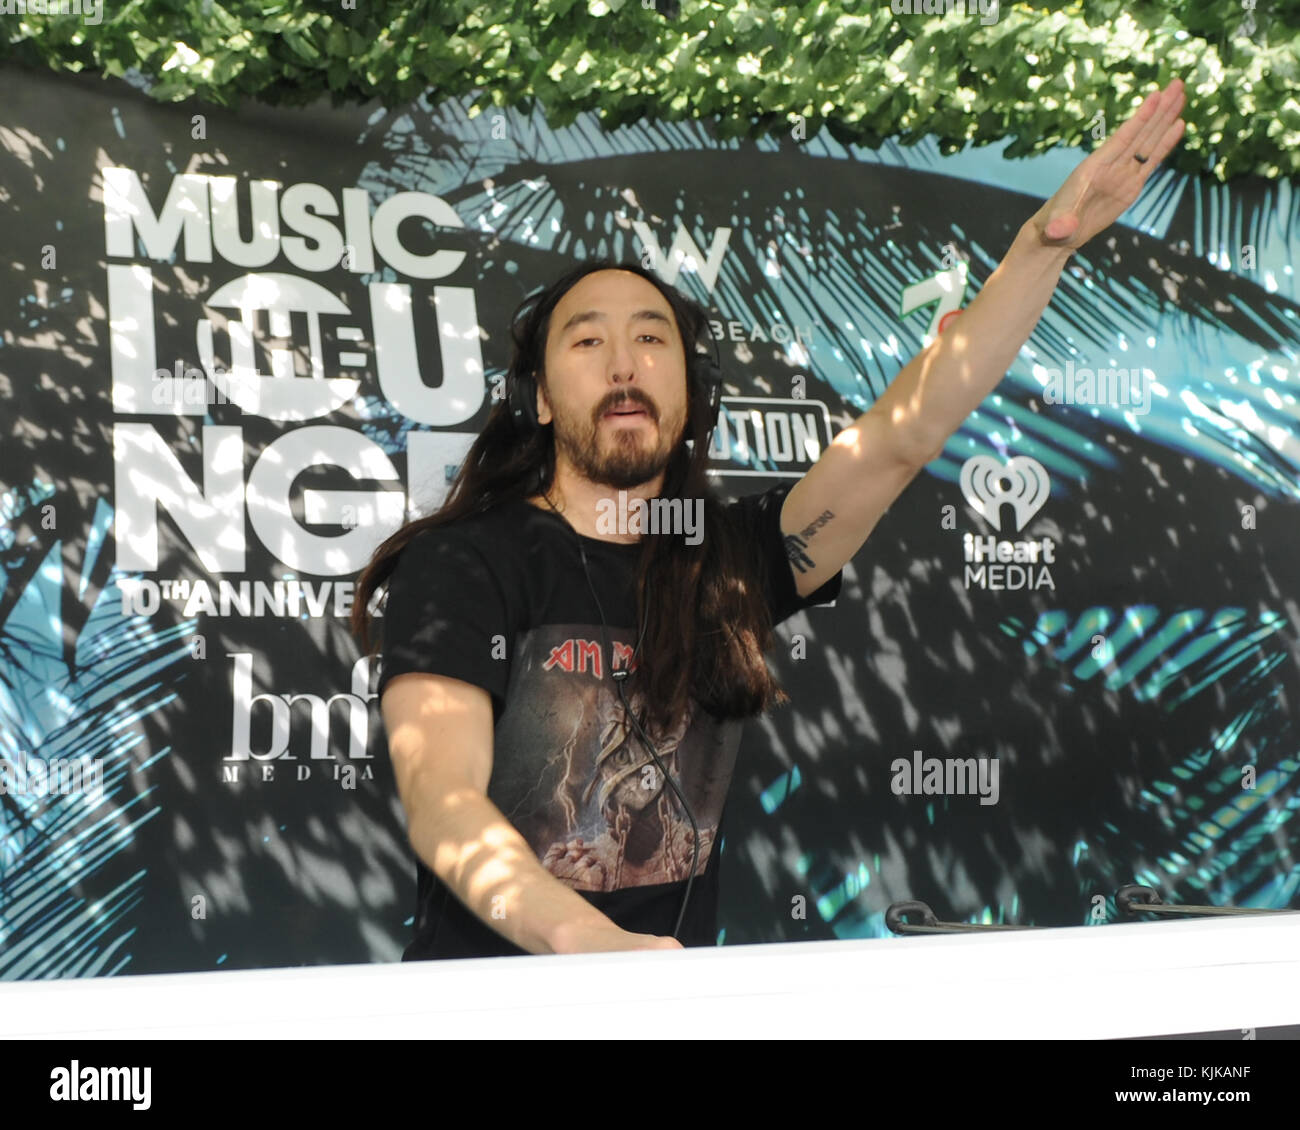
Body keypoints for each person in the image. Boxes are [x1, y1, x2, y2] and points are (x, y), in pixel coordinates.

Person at [351, 79, 1186, 959]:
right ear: (542, 400)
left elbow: (906, 435)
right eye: (588, 341)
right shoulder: (465, 563)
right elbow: (444, 801)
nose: (625, 363)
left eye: (652, 338)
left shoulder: (731, 556)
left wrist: (1036, 252)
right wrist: (589, 947)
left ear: (691, 391)